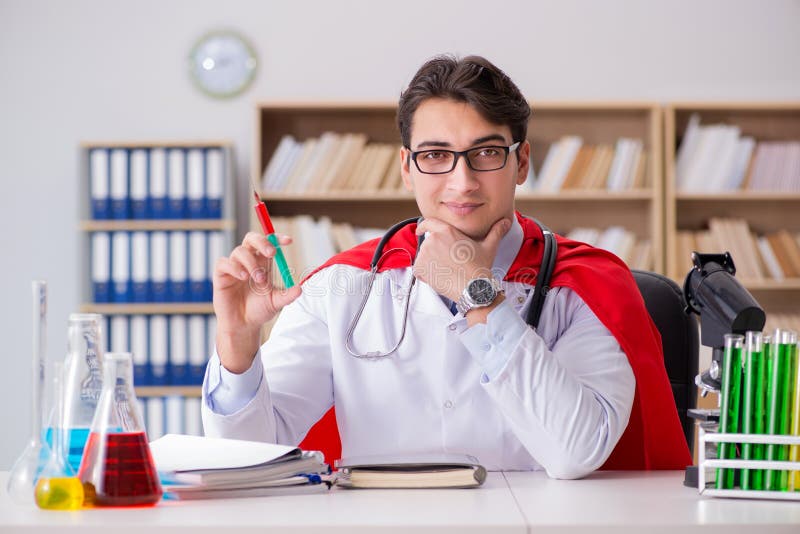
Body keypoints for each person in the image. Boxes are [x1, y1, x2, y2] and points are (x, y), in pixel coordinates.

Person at [202, 55, 690, 479]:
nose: (462, 181)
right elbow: (252, 453)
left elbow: (576, 452)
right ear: (406, 166)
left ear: (521, 162)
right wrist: (239, 347)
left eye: (485, 153)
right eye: (436, 155)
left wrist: (477, 294)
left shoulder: (585, 285)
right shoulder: (341, 286)